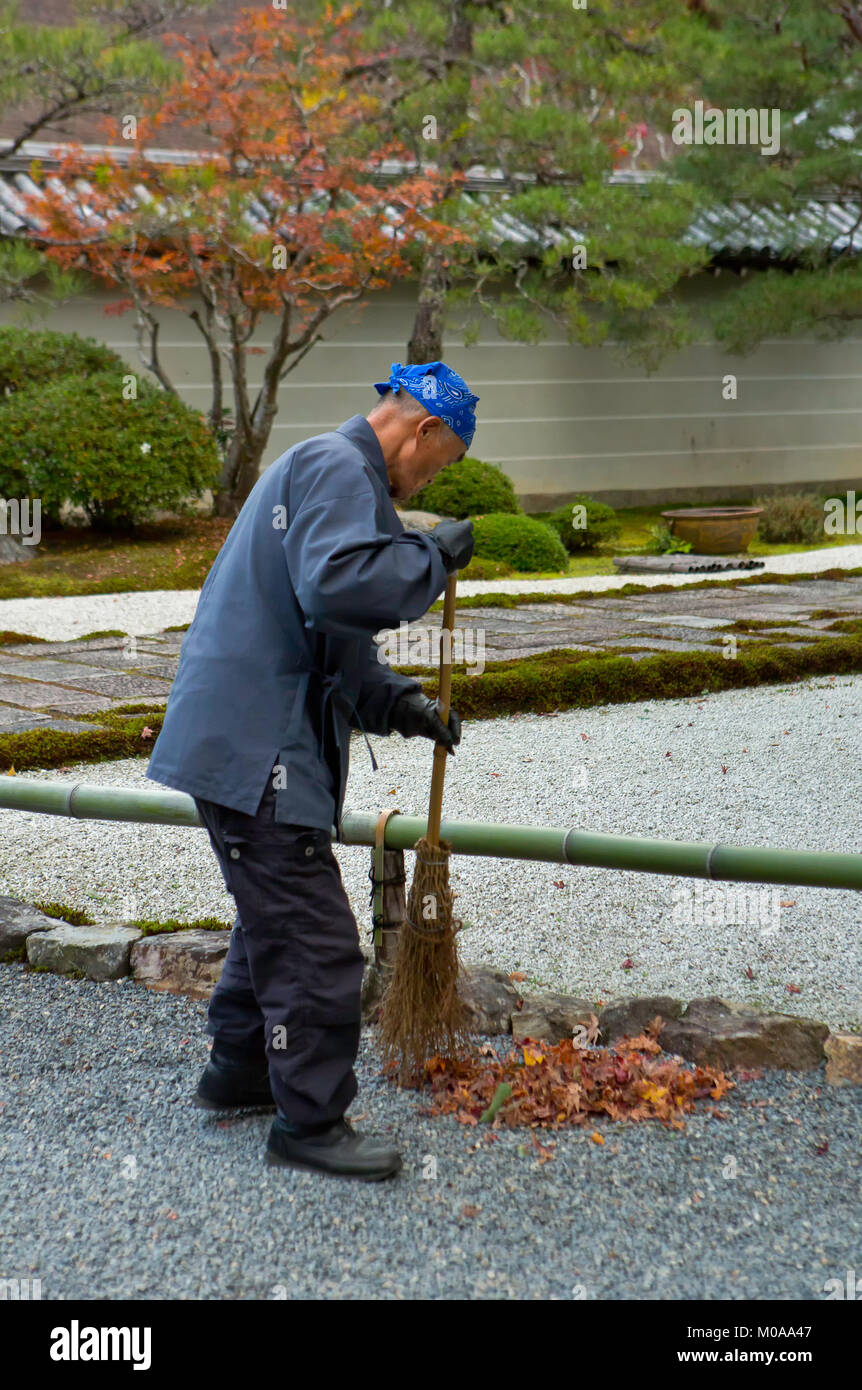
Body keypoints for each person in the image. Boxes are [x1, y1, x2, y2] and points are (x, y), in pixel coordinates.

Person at [146, 361, 479, 1181]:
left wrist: (400, 705)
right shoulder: (337, 466)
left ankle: (240, 1072)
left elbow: (332, 640)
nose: (429, 483)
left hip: (239, 739)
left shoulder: (328, 473)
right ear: (424, 429)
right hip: (258, 747)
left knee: (272, 918)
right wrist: (431, 556)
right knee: (314, 937)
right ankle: (310, 1123)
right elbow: (339, 590)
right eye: (441, 465)